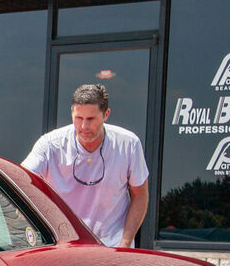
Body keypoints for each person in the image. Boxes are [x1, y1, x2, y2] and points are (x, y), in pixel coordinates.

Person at [22, 83, 148, 247]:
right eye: (78, 118)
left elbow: (140, 195)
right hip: (63, 246)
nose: (84, 126)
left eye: (91, 119)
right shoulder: (50, 144)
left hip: (113, 246)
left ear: (106, 114)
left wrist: (125, 243)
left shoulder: (128, 144)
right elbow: (22, 180)